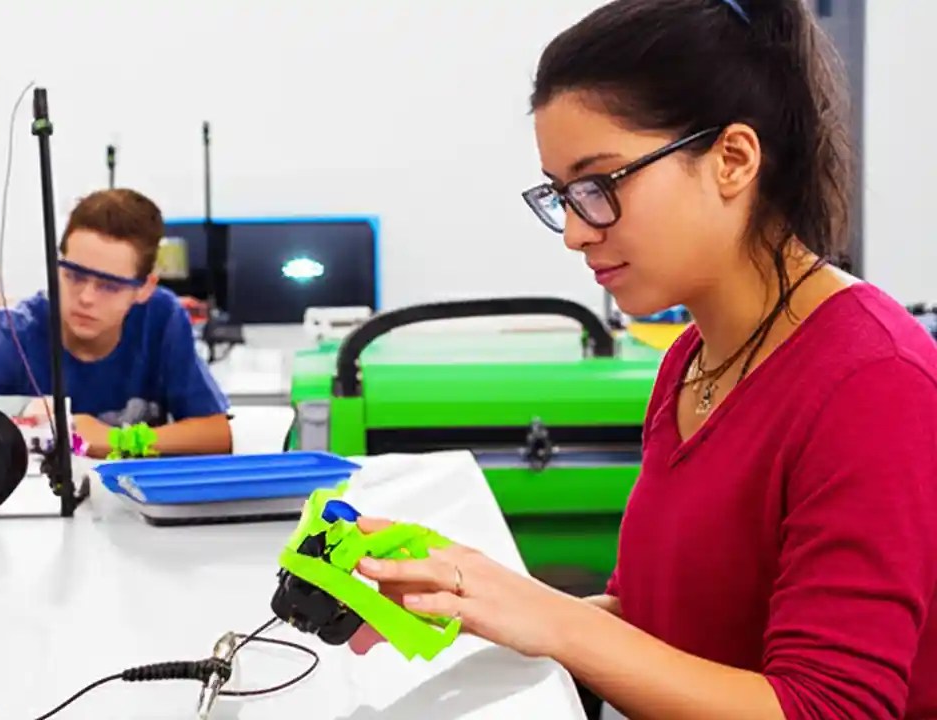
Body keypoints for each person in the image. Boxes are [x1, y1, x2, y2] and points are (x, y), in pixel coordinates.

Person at [348, 1, 937, 718]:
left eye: (599, 186)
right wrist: (468, 604)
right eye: (561, 194)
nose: (573, 231)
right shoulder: (693, 360)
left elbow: (829, 709)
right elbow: (659, 622)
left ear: (733, 159)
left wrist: (550, 619)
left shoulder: (873, 382)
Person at [0, 188, 233, 458]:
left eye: (109, 285)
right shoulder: (19, 329)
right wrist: (9, 436)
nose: (86, 297)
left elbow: (216, 433)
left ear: (144, 288)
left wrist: (117, 439)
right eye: (75, 276)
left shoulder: (162, 319)